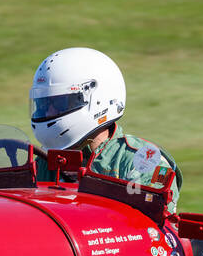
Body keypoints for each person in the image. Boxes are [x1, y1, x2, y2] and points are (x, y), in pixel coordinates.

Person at [29, 47, 181, 211]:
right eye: (44, 105)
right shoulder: (43, 163)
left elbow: (148, 230)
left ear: (98, 100)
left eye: (59, 104)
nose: (49, 112)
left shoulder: (141, 161)